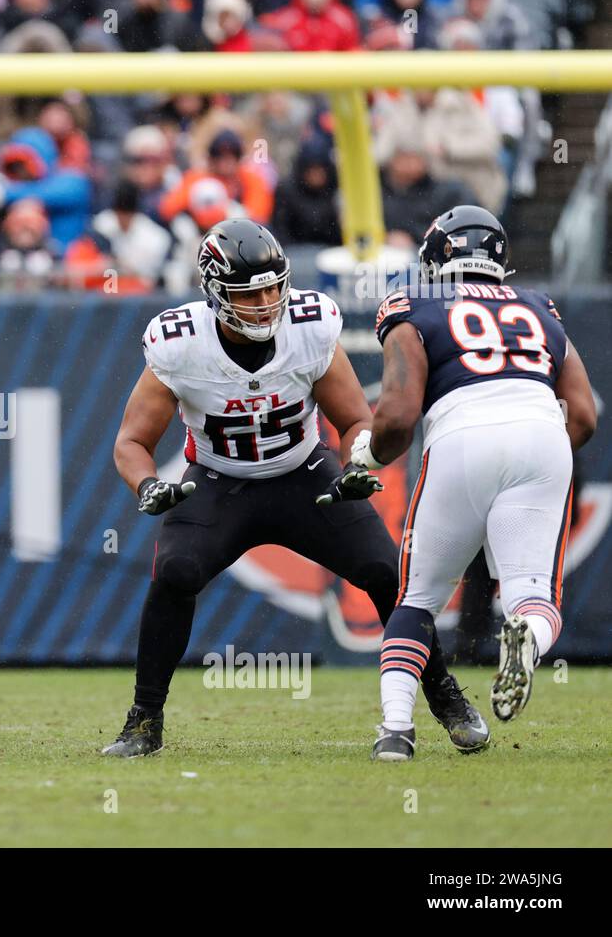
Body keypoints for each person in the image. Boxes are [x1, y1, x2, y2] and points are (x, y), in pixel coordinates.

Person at [101, 217, 486, 758]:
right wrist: (145, 485)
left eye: (272, 287)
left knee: (386, 572)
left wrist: (356, 462)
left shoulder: (310, 324)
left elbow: (355, 419)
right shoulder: (179, 343)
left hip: (306, 477)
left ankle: (446, 697)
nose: (265, 302)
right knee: (175, 572)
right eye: (249, 293)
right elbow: (131, 443)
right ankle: (144, 720)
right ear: (215, 293)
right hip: (218, 482)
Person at [359, 206, 597, 761]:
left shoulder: (412, 304)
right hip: (542, 433)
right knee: (533, 595)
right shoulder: (538, 306)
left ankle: (396, 730)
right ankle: (526, 642)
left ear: (437, 257)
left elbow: (395, 416)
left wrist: (369, 454)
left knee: (417, 600)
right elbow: (582, 416)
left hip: (463, 436)